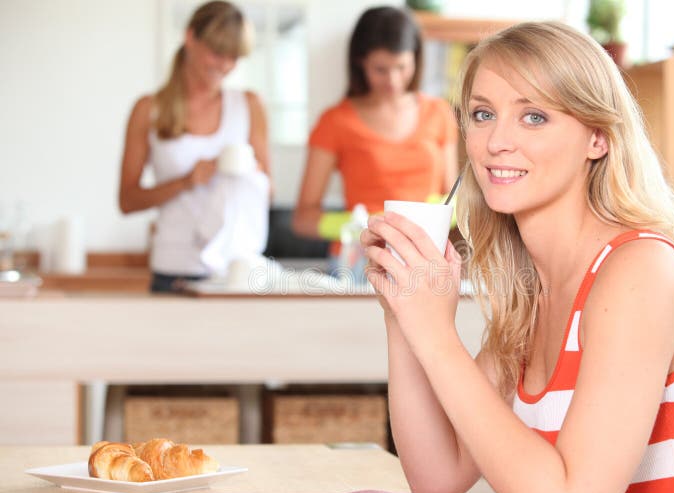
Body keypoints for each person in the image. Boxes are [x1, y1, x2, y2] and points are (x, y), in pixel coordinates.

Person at [361, 21, 674, 493]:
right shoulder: (534, 295)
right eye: (483, 114)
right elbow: (435, 476)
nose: (496, 141)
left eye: (534, 117)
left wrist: (437, 335)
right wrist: (403, 312)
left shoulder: (640, 273)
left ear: (597, 137)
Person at [119, 0, 270, 293]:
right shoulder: (149, 110)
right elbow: (127, 200)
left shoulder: (248, 105)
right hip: (173, 270)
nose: (225, 66)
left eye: (234, 57)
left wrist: (247, 173)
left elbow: (269, 189)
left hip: (234, 272)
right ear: (190, 38)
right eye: (217, 53)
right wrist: (186, 181)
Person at [292, 6, 458, 245]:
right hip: (360, 261)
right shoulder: (335, 121)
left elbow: (450, 203)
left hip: (422, 257)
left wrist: (434, 216)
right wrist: (363, 225)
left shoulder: (439, 113)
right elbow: (303, 219)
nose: (393, 80)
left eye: (402, 67)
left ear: (416, 58)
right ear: (361, 63)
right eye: (380, 69)